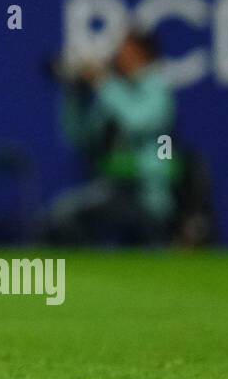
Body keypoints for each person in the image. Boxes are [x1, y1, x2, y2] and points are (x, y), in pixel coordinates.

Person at [45, 30, 176, 246]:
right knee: (61, 216)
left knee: (67, 214)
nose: (118, 56)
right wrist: (75, 95)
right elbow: (81, 138)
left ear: (143, 53)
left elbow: (137, 121)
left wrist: (103, 81)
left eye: (125, 50)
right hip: (111, 187)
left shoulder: (158, 88)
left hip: (148, 193)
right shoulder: (117, 89)